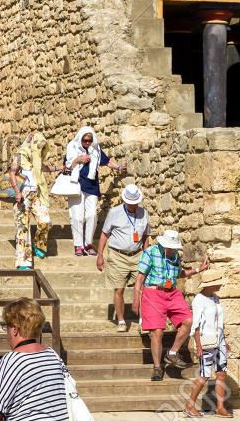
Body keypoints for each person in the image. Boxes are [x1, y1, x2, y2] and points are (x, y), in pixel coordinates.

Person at [135, 229, 210, 381]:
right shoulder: (150, 252)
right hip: (153, 292)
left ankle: (173, 352)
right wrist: (137, 299)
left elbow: (179, 274)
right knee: (157, 331)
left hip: (172, 292)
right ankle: (157, 367)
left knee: (189, 320)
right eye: (168, 247)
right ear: (162, 244)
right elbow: (140, 277)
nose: (170, 250)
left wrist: (198, 269)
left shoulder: (175, 255)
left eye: (173, 247)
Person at [62, 125, 126, 256]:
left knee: (92, 215)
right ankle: (78, 245)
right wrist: (79, 159)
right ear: (80, 139)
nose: (87, 143)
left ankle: (88, 243)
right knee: (77, 216)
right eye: (85, 140)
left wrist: (119, 167)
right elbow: (66, 167)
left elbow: (107, 162)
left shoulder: (95, 149)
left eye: (89, 140)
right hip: (76, 185)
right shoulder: (72, 148)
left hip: (92, 186)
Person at [96, 183, 149, 332]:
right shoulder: (114, 212)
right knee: (119, 289)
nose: (133, 206)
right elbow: (104, 234)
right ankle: (121, 320)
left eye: (135, 203)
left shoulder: (144, 213)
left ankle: (142, 319)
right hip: (118, 255)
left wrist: (146, 256)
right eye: (131, 203)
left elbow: (145, 236)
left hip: (137, 254)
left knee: (143, 287)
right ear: (125, 201)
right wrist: (100, 256)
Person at [186, 277, 231, 419]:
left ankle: (220, 407)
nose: (220, 285)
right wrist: (198, 345)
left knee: (221, 373)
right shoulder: (199, 300)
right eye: (217, 283)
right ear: (209, 285)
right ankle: (190, 405)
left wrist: (224, 340)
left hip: (219, 341)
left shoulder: (215, 298)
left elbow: (218, 321)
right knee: (205, 375)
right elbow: (196, 324)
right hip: (205, 342)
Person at [9, 132, 52, 271]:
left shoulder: (36, 159)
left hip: (36, 196)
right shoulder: (21, 155)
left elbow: (43, 168)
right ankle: (23, 262)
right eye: (39, 145)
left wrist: (60, 168)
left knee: (45, 220)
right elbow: (12, 173)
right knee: (23, 229)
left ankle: (39, 243)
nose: (41, 149)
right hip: (22, 196)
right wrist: (17, 192)